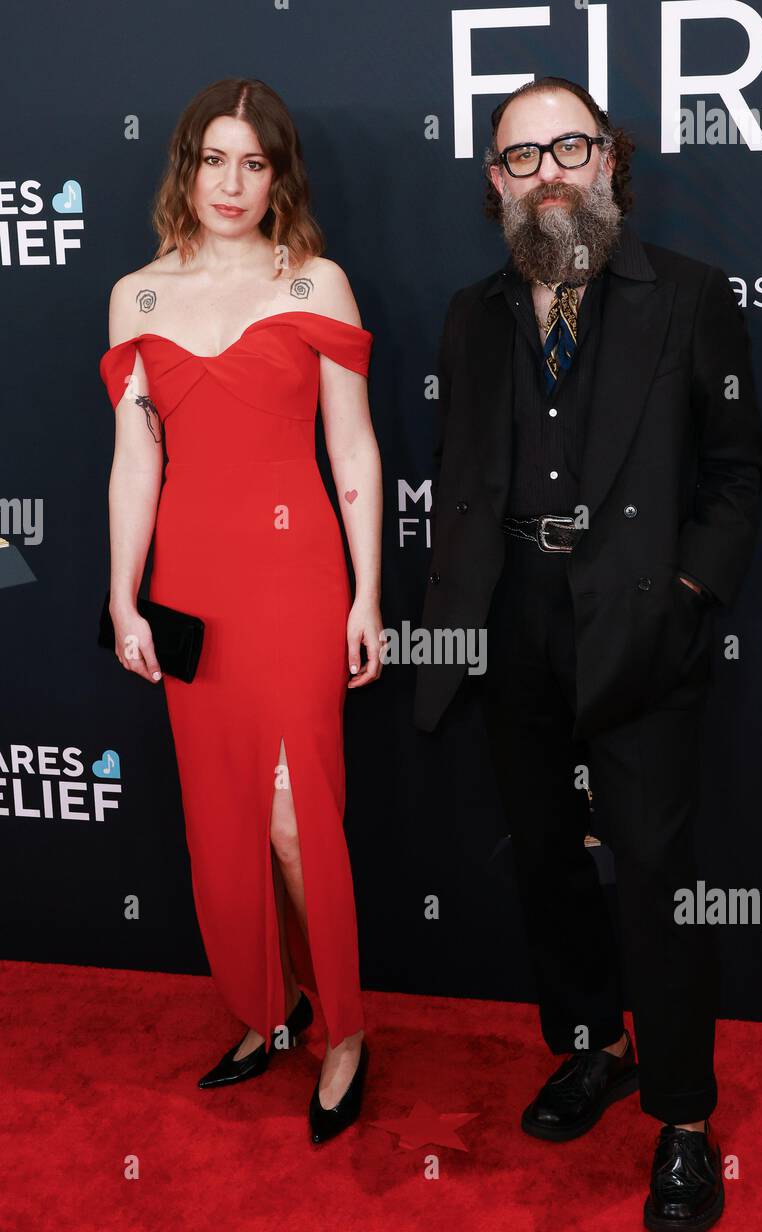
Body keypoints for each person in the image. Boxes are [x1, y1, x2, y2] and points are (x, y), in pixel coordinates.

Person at [413, 76, 762, 1232]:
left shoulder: (689, 299)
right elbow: (460, 480)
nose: (547, 171)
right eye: (521, 157)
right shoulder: (471, 316)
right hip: (507, 623)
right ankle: (590, 1047)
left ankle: (680, 1117)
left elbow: (733, 474)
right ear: (493, 183)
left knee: (658, 886)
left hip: (638, 625)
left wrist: (681, 595)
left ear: (609, 161)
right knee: (548, 868)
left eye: (568, 146)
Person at [99, 77, 383, 1144]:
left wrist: (367, 592)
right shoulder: (138, 297)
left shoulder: (315, 282)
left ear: (278, 176)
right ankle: (269, 1010)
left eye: (253, 163)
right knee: (222, 815)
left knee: (292, 815)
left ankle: (344, 1029)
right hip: (190, 586)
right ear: (185, 168)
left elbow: (351, 447)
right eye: (214, 160)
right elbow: (136, 461)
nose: (231, 183)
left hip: (295, 574)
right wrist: (120, 593)